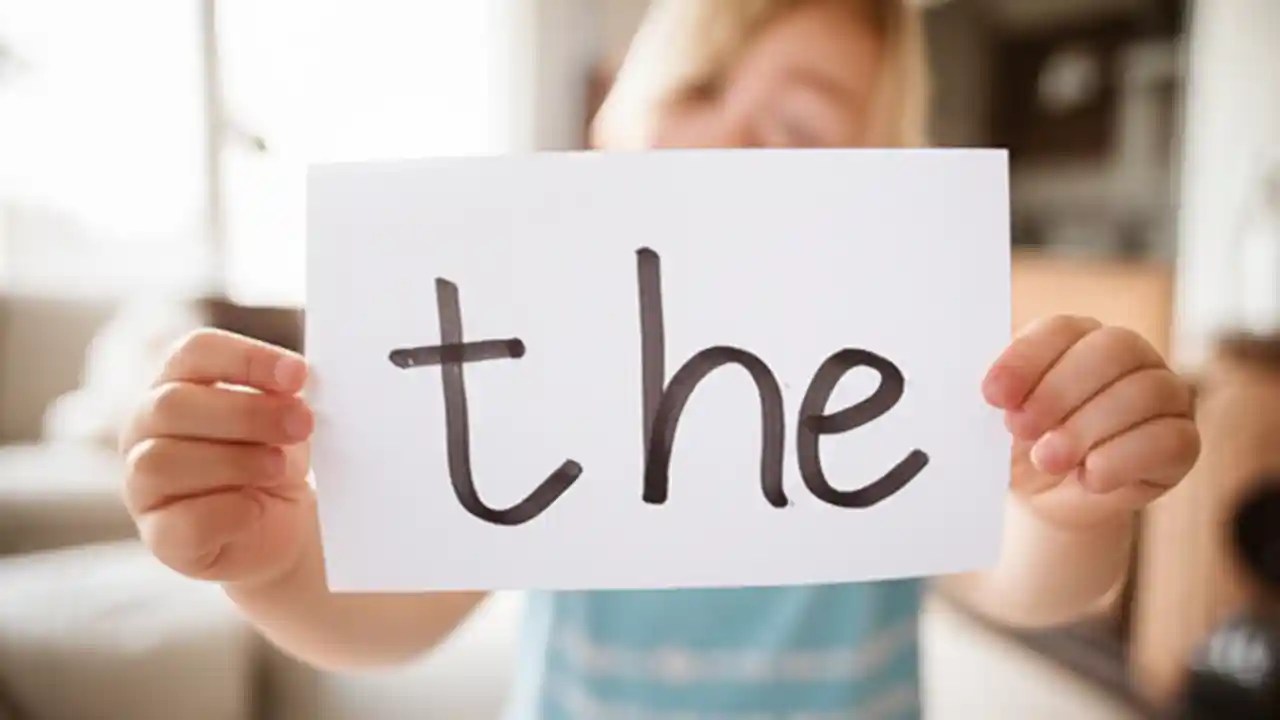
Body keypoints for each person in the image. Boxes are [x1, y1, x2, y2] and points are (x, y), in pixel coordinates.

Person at [118, 1, 1201, 717]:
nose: (724, 139)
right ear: (623, 115)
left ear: (872, 192)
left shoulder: (890, 358)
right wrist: (269, 565)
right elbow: (392, 617)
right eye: (696, 88)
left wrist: (1067, 502)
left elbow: (1020, 582)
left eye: (797, 130)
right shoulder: (538, 344)